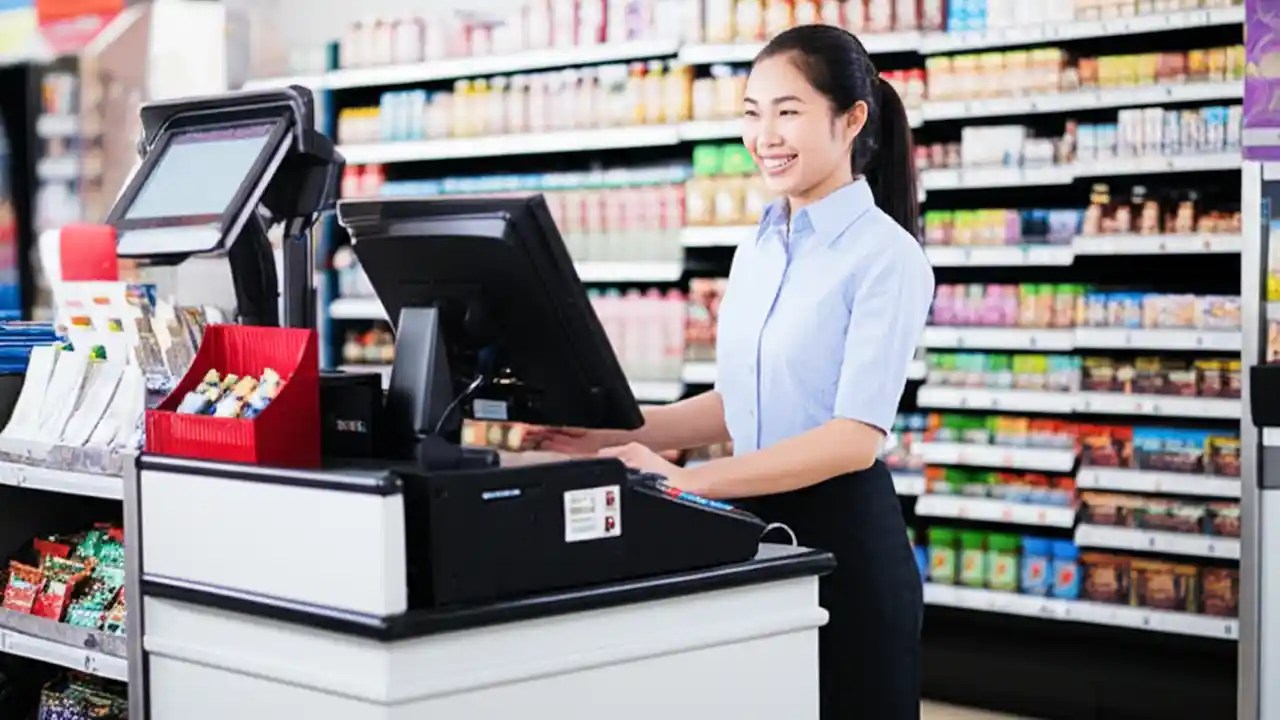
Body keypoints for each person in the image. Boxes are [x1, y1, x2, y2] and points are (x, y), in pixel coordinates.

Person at [534, 23, 934, 720]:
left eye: (788, 111)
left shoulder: (886, 257)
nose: (765, 136)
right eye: (752, 113)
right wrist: (611, 432)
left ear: (852, 119)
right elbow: (740, 401)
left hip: (846, 545)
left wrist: (687, 482)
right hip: (751, 524)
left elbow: (852, 439)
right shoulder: (758, 248)